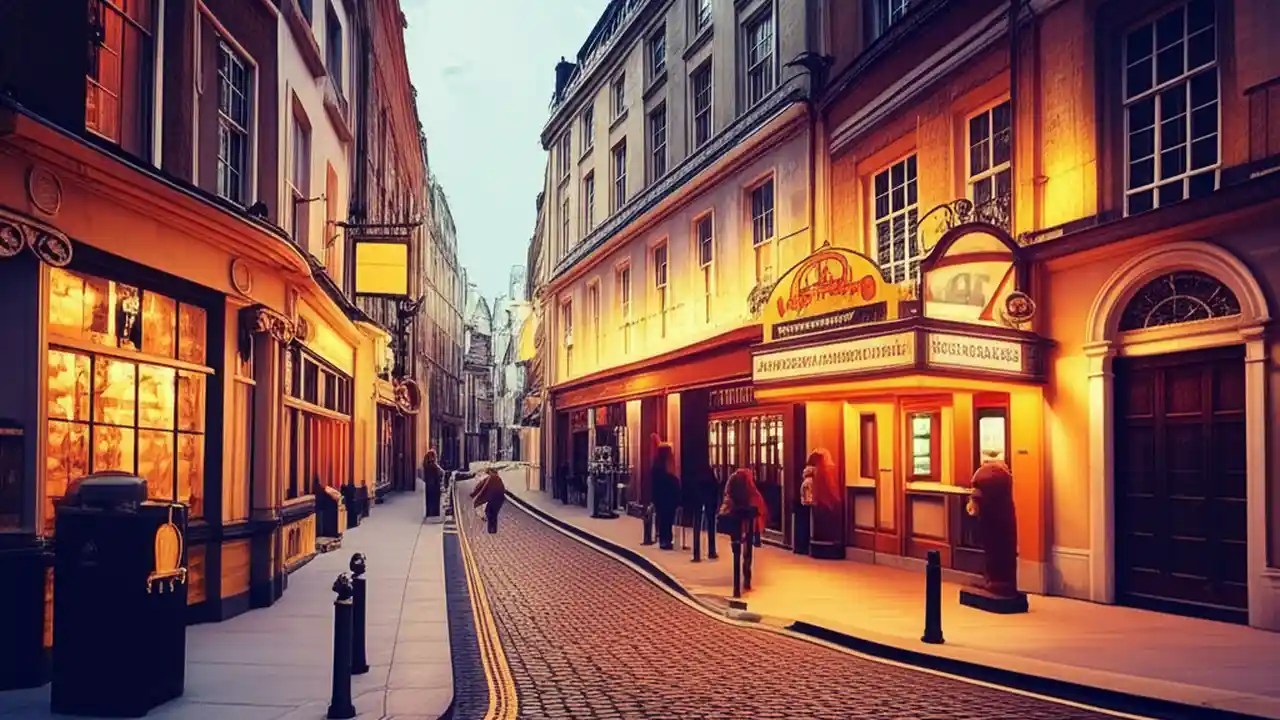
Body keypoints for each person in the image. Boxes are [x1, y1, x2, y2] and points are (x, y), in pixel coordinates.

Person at [650, 435, 681, 551]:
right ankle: (665, 540)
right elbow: (671, 481)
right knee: (667, 519)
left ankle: (664, 539)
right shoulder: (665, 467)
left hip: (660, 497)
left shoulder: (656, 466)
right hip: (668, 497)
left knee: (663, 518)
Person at [470, 468, 507, 534]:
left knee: (489, 511)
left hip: (493, 498)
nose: (487, 474)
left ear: (490, 472)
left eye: (488, 473)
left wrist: (474, 495)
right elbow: (503, 489)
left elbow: (481, 487)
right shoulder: (498, 478)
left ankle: (490, 530)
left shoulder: (490, 478)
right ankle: (493, 530)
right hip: (500, 499)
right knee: (494, 513)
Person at [423, 449, 443, 520]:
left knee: (429, 500)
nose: (436, 457)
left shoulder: (426, 464)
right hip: (435, 485)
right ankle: (434, 513)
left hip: (429, 485)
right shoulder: (434, 465)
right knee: (434, 500)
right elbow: (441, 472)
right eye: (435, 455)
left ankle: (429, 513)